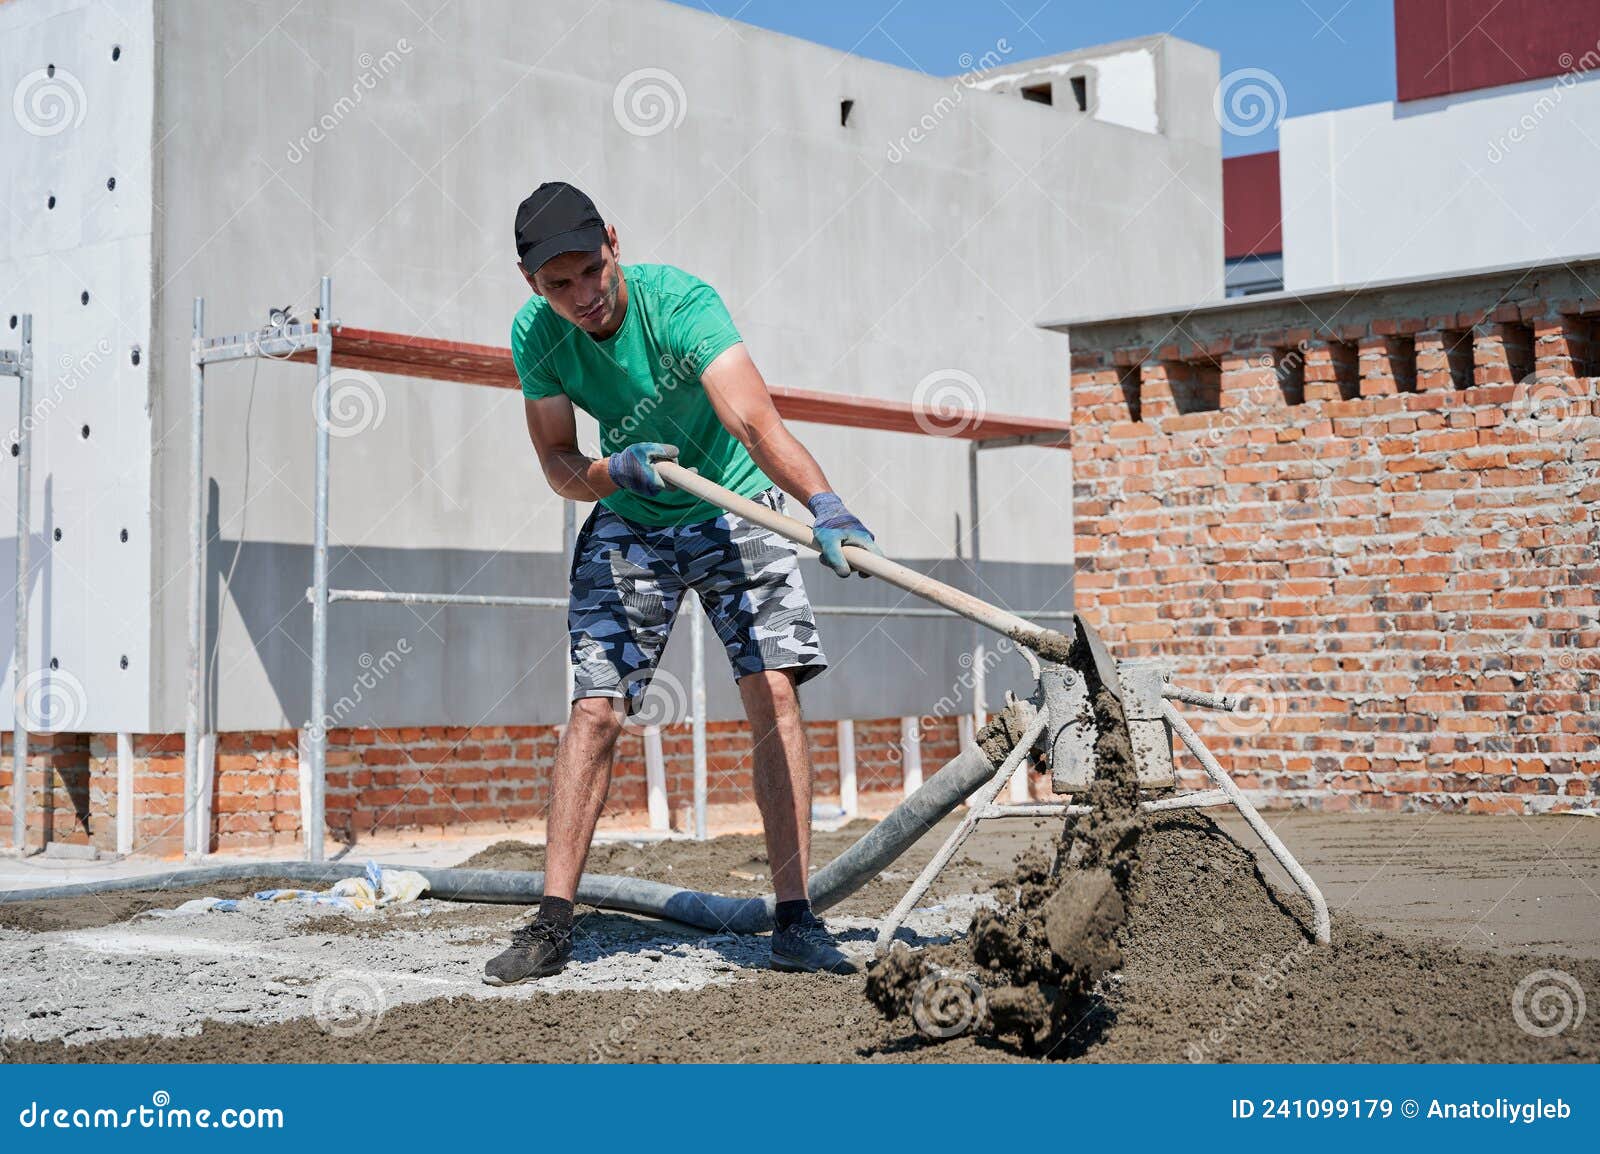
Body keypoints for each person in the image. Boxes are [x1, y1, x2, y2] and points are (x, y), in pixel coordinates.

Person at [483, 182, 883, 984]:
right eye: (558, 286)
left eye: (591, 272)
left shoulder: (682, 304)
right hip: (631, 515)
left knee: (772, 690)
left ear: (614, 244)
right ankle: (553, 924)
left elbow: (754, 422)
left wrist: (823, 502)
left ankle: (796, 921)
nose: (582, 297)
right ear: (533, 284)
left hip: (735, 500)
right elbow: (558, 465)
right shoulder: (537, 335)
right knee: (595, 710)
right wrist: (610, 471)